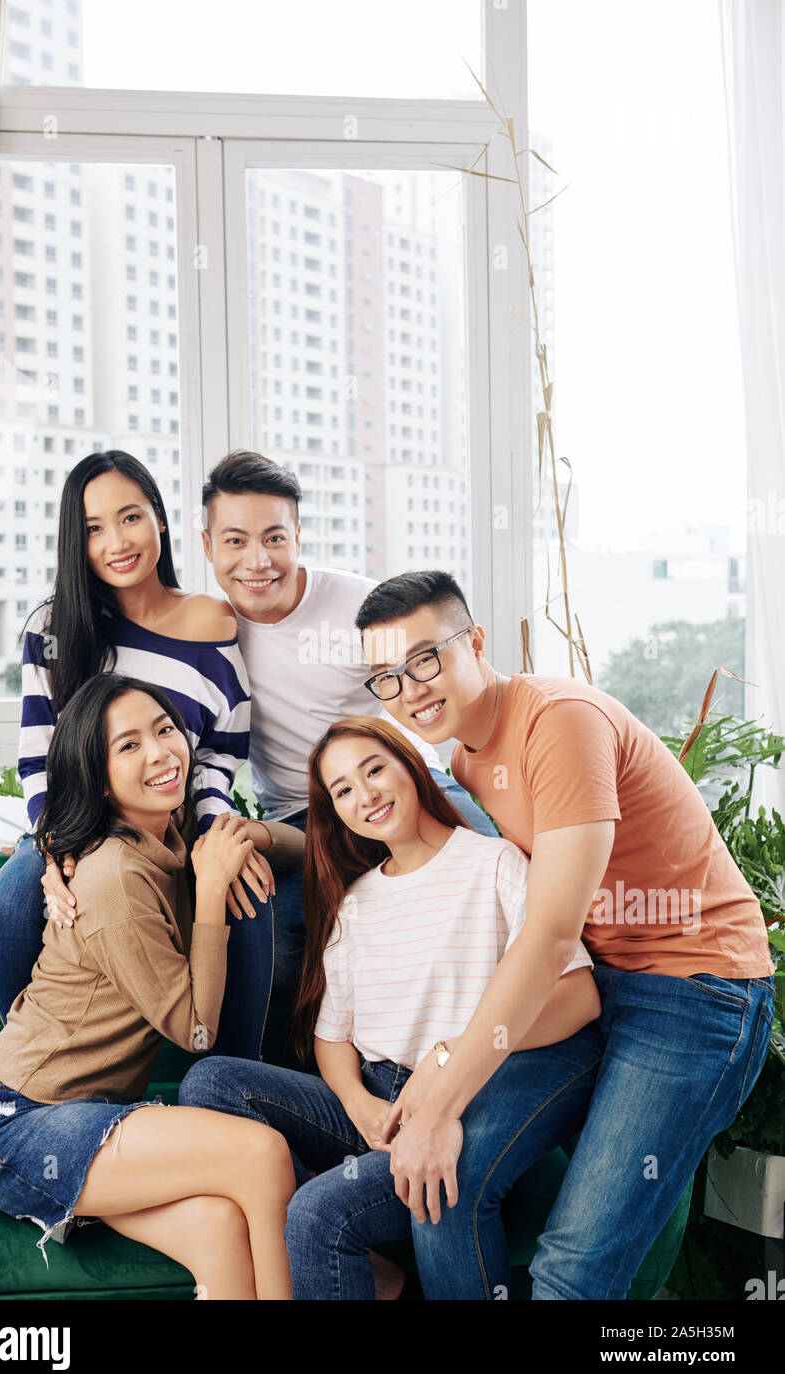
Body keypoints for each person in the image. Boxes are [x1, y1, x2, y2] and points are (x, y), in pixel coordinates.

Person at [351, 568, 776, 1300]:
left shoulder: (559, 721)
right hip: (596, 988)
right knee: (443, 1185)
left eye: (424, 659)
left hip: (698, 993)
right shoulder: (465, 758)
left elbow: (548, 934)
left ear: (475, 642)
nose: (410, 689)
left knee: (571, 1272)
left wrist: (445, 1090)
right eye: (385, 677)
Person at [177, 716, 598, 1299]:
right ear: (335, 811)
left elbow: (578, 997)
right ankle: (375, 1256)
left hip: (462, 1103)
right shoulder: (354, 901)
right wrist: (359, 1106)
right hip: (377, 1105)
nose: (366, 794)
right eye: (343, 789)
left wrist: (449, 1058)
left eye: (374, 769)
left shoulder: (494, 864)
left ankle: (357, 1232)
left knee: (320, 1215)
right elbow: (333, 1038)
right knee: (211, 1083)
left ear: (411, 766)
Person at [0, 674, 299, 1299]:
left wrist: (243, 836)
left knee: (220, 1224)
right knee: (261, 1156)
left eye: (165, 729)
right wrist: (212, 895)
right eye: (128, 746)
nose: (160, 752)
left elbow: (301, 850)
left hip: (87, 1112)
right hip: (19, 1123)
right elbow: (196, 1031)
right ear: (97, 773)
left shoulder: (169, 837)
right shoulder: (113, 875)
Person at [0, 450, 286, 1061]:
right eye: (93, 528)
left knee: (246, 898)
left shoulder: (211, 628)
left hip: (169, 830)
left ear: (160, 521)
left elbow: (216, 762)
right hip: (73, 824)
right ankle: (35, 1062)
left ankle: (233, 1081)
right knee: (11, 903)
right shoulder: (53, 626)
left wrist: (218, 836)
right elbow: (39, 755)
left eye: (130, 517)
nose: (116, 542)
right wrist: (56, 848)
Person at [200, 449, 500, 1034]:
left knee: (491, 868)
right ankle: (317, 1093)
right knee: (280, 941)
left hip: (404, 778)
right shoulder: (206, 631)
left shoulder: (357, 607)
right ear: (209, 544)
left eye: (275, 538)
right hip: (300, 814)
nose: (258, 561)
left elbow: (436, 684)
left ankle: (516, 1039)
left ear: (298, 537)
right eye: (235, 541)